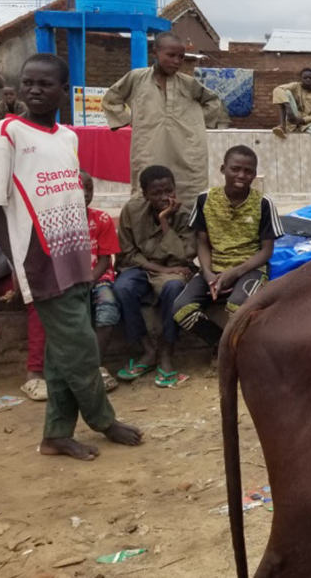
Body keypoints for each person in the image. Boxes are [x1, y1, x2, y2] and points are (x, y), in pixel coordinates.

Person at [0, 53, 142, 460]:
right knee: (80, 349)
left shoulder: (68, 137)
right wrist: (17, 261)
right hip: (37, 259)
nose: (33, 90)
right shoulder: (8, 133)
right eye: (28, 83)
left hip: (75, 253)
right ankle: (103, 419)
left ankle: (56, 434)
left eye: (44, 84)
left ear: (64, 90)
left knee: (63, 353)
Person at [103, 31, 226, 208]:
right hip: (149, 147)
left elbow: (213, 101)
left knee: (188, 197)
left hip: (185, 151)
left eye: (181, 57)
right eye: (171, 55)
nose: (176, 61)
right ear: (155, 54)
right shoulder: (137, 79)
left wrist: (194, 122)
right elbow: (112, 99)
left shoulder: (188, 83)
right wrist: (127, 119)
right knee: (146, 195)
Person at [174, 145, 282, 348]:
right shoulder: (205, 199)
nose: (241, 175)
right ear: (223, 169)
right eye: (235, 169)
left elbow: (267, 250)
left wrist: (234, 272)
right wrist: (207, 273)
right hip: (213, 267)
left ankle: (238, 351)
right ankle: (221, 346)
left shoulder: (263, 203)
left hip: (250, 268)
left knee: (238, 306)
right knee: (181, 309)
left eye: (248, 171)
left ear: (254, 174)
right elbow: (202, 242)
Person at [113, 165, 197, 388]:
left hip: (173, 272)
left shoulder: (184, 215)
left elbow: (184, 255)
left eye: (169, 191)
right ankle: (147, 350)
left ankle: (167, 353)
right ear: (145, 194)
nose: (164, 197)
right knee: (122, 288)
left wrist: (164, 220)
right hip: (140, 268)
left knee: (174, 287)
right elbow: (126, 253)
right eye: (156, 193)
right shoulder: (131, 211)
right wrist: (161, 269)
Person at [271, 68, 311, 174]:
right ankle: (282, 126)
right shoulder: (295, 86)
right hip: (292, 116)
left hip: (308, 122)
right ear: (300, 79)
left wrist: (303, 120)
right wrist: (288, 106)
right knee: (285, 92)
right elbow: (278, 89)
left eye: (310, 78)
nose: (307, 80)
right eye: (305, 78)